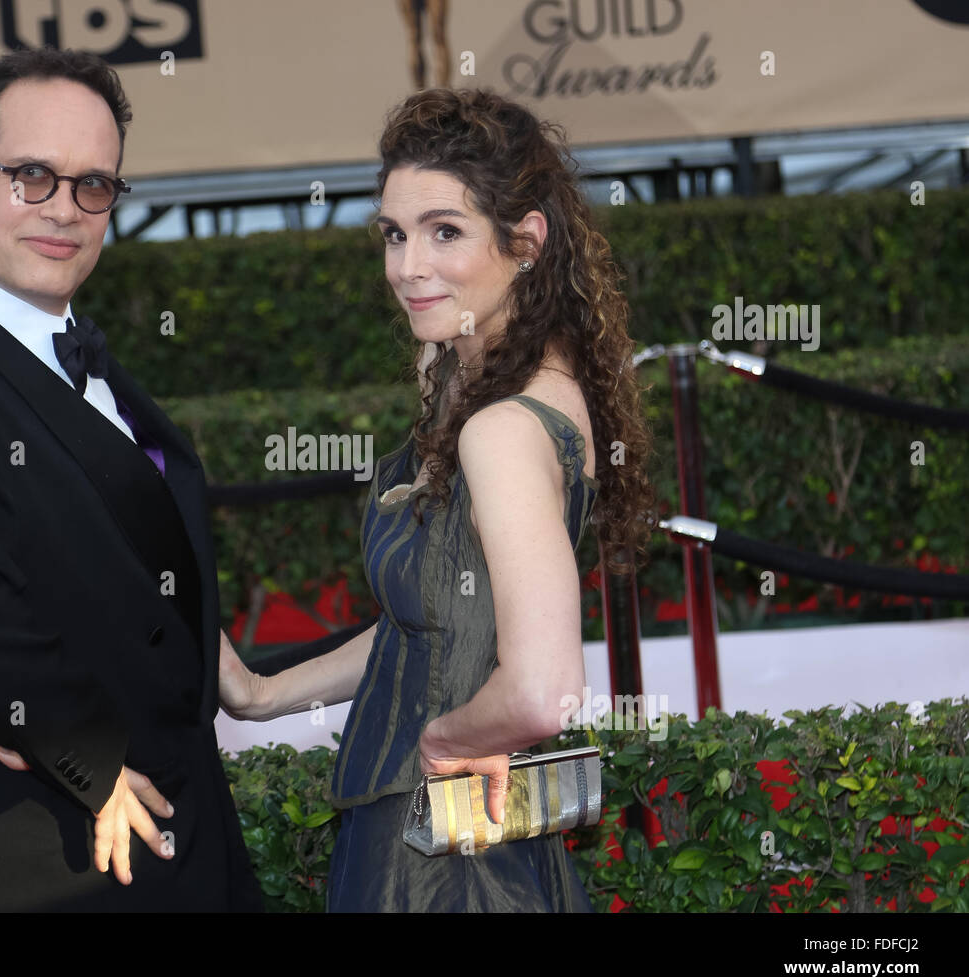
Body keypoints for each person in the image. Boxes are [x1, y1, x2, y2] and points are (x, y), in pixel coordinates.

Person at [0, 47, 260, 911]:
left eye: (93, 185)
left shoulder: (54, 339)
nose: (65, 210)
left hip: (173, 825)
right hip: (56, 853)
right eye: (32, 175)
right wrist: (87, 758)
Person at [219, 88, 654, 911]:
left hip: (437, 857)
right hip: (460, 833)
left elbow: (543, 689)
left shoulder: (501, 428)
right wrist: (262, 694)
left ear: (526, 241)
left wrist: (442, 739)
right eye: (394, 233)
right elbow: (444, 620)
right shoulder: (480, 374)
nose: (407, 265)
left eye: (445, 231)